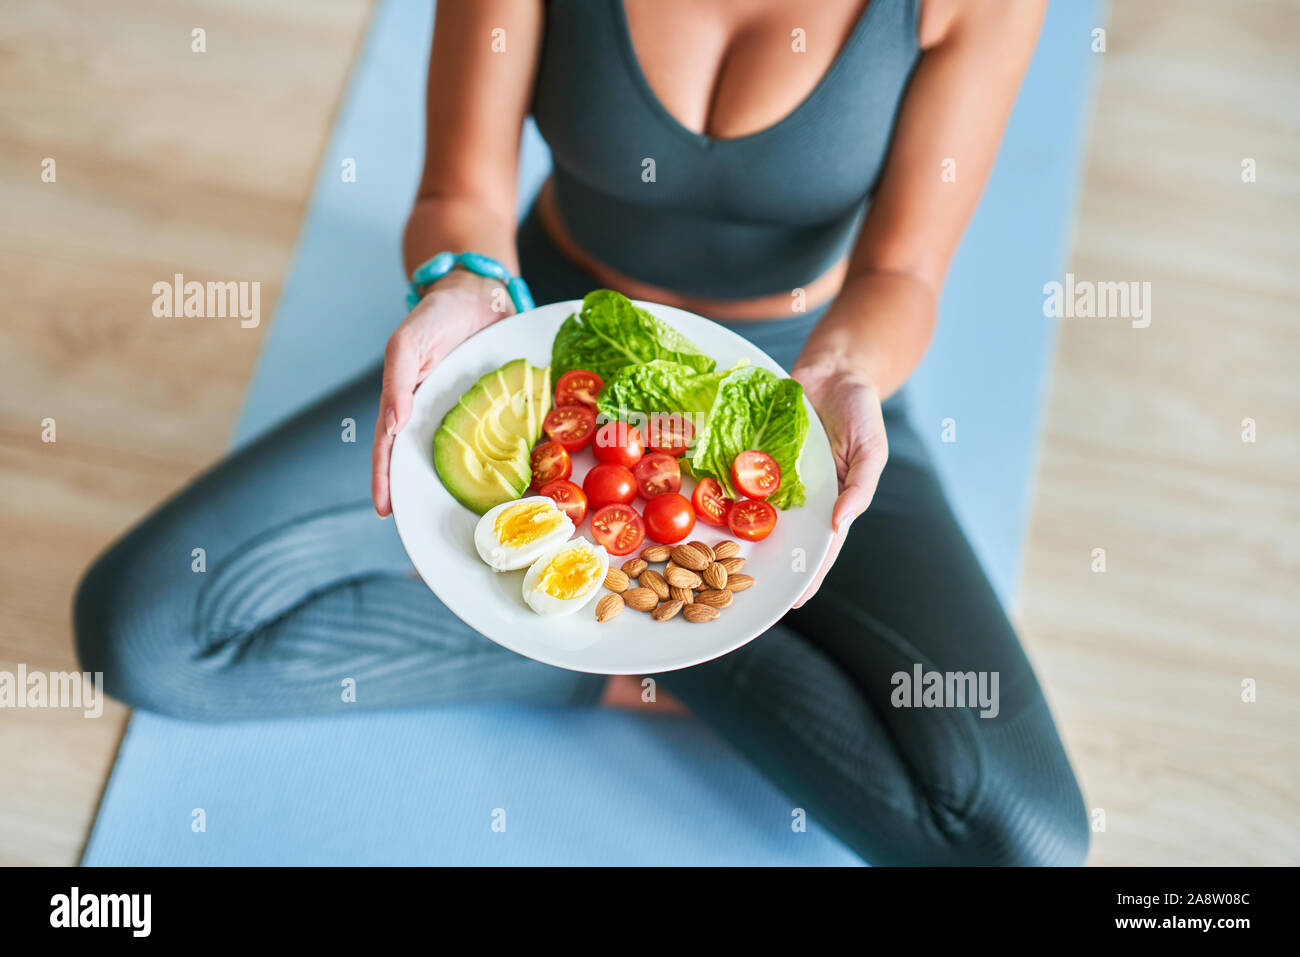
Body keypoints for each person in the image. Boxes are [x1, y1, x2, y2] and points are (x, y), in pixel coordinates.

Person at [76, 0, 1089, 865]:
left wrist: (843, 374)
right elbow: (456, 192)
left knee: (1017, 836)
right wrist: (460, 283)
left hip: (799, 392)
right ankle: (653, 650)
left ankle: (640, 634)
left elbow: (899, 280)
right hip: (533, 361)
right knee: (150, 632)